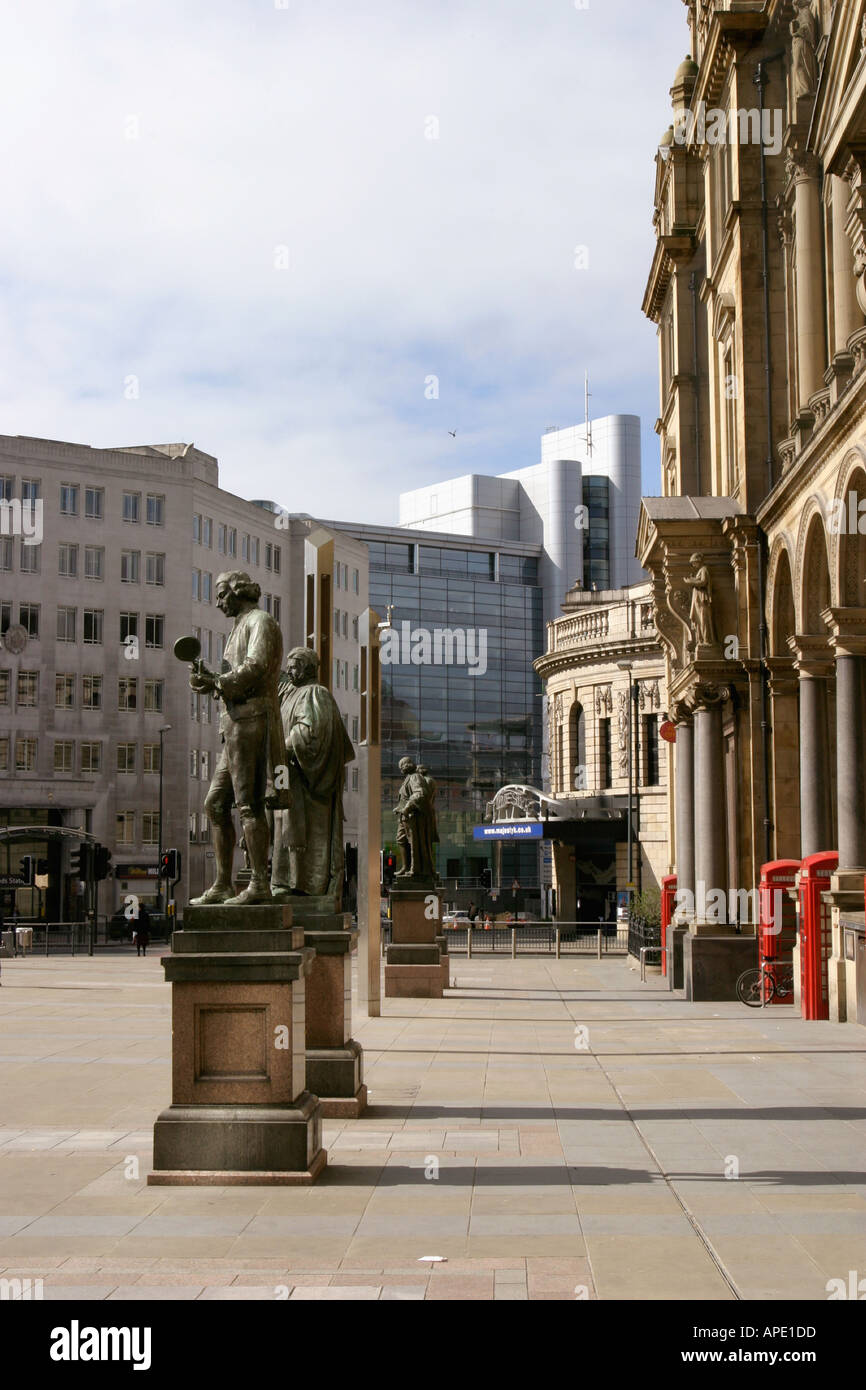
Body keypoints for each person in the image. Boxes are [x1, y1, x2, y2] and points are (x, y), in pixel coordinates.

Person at [189, 571, 290, 906]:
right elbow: (233, 676)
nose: (217, 602)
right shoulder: (238, 627)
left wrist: (218, 681)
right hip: (233, 723)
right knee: (215, 804)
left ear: (237, 592)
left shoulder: (261, 622)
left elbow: (256, 667)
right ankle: (222, 883)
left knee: (249, 804)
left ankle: (260, 882)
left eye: (221, 594)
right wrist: (211, 681)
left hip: (252, 720)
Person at [270, 647, 355, 905]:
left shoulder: (316, 694)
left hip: (307, 782)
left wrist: (283, 745)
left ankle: (308, 887)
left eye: (294, 665)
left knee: (304, 833)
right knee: (284, 831)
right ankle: (285, 882)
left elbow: (310, 733)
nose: (290, 670)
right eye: (289, 665)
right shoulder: (289, 695)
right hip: (288, 776)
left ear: (308, 667)